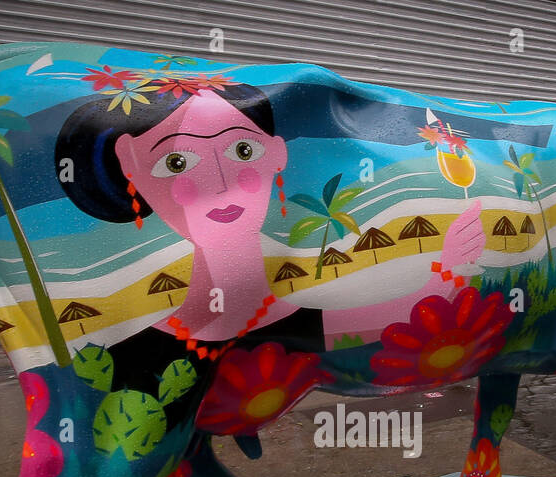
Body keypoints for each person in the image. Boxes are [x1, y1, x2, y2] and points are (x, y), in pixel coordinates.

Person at [57, 76, 485, 366]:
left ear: (277, 153)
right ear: (131, 166)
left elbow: (397, 317)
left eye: (243, 151)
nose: (222, 182)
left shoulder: (299, 320)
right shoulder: (123, 357)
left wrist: (446, 272)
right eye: (176, 161)